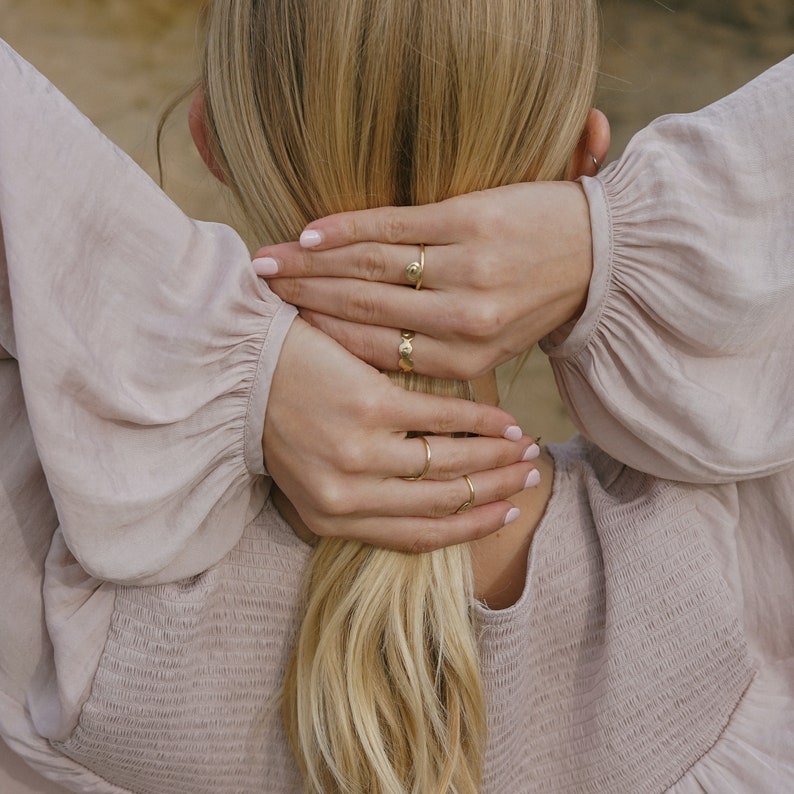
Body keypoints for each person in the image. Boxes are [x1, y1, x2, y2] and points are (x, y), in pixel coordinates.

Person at [0, 4, 791, 794]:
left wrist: (220, 351)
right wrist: (607, 239)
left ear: (211, 140)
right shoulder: (724, 561)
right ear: (587, 154)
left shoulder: (75, 593)